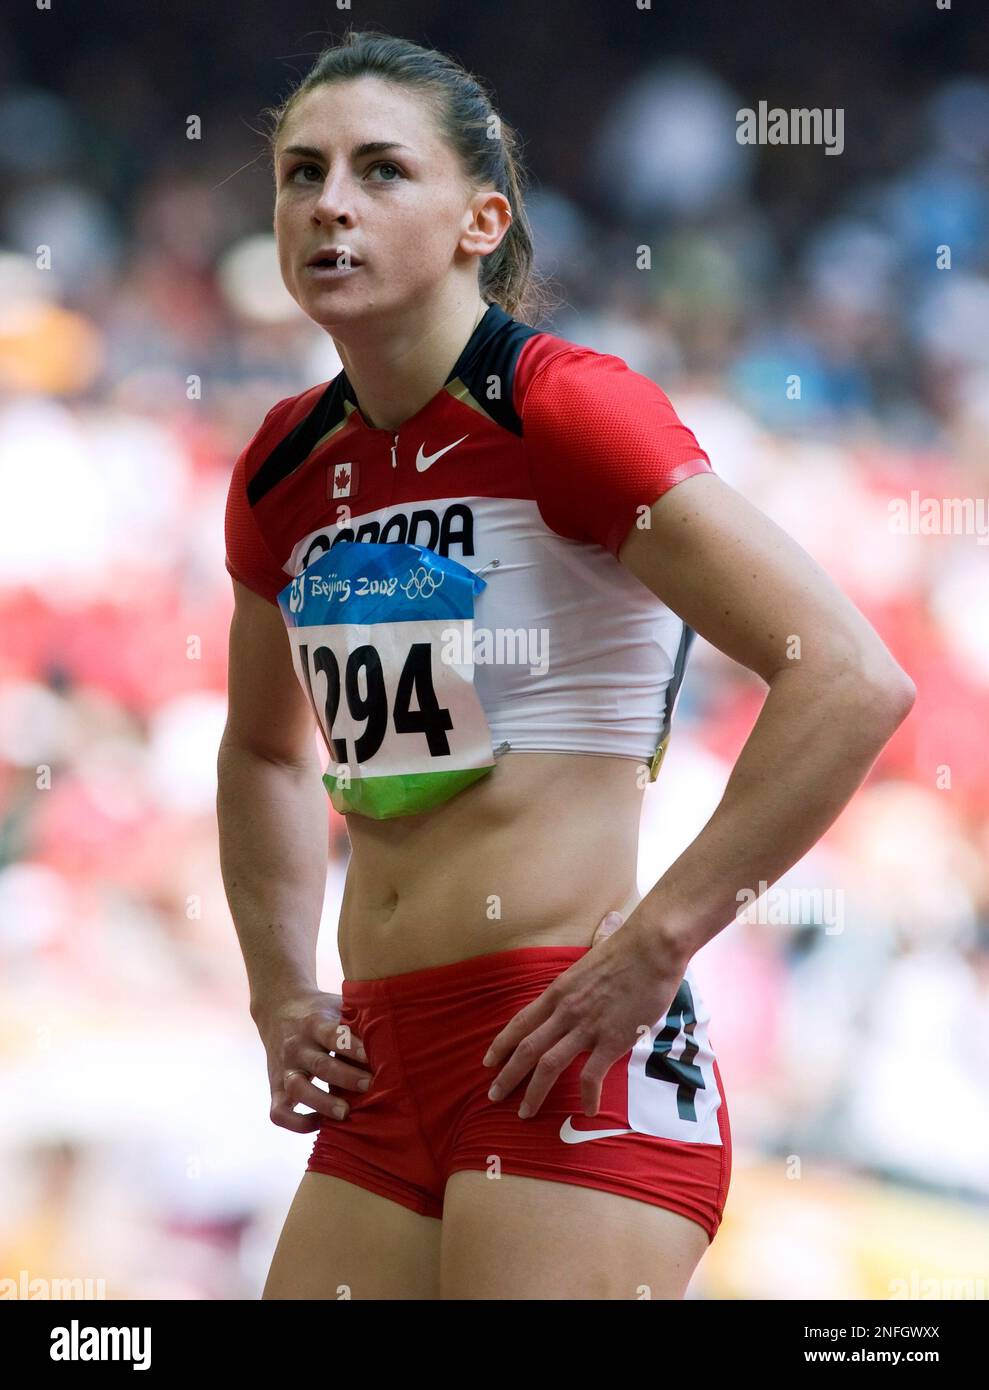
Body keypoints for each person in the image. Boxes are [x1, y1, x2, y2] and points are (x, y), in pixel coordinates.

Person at [217, 29, 915, 1301]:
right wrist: (278, 988)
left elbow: (848, 677)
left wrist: (657, 944)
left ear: (482, 218)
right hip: (380, 1062)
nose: (327, 203)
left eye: (380, 170)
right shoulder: (280, 467)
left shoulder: (562, 409)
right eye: (299, 172)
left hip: (567, 1035)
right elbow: (264, 747)